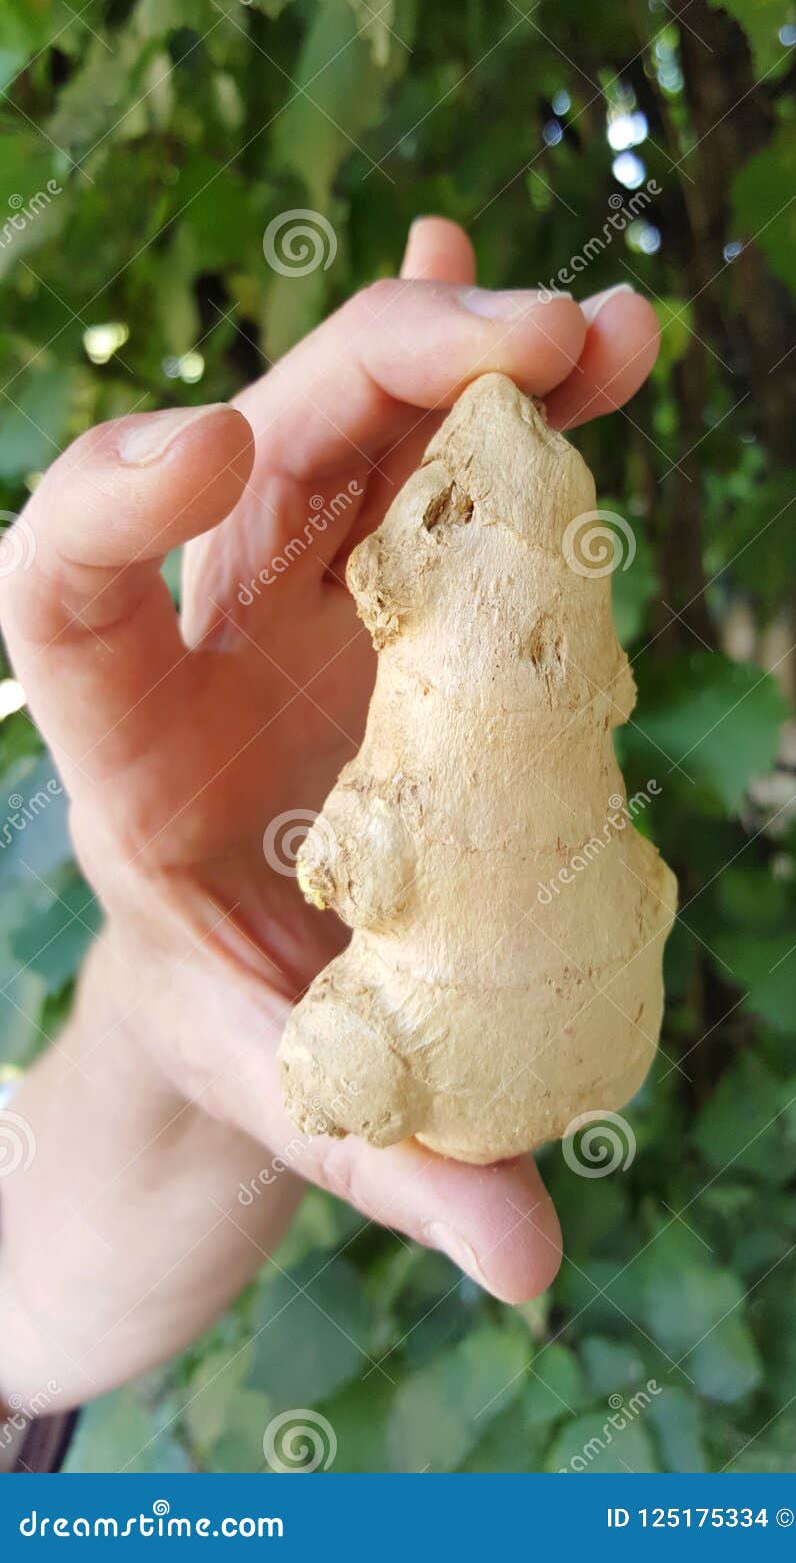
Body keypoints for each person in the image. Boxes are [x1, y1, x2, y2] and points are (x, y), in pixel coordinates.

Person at [0, 218, 659, 1428]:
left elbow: (15, 1307)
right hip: (561, 1022)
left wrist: (177, 993)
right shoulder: (501, 662)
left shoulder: (550, 657)